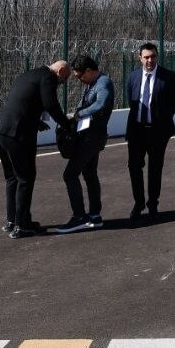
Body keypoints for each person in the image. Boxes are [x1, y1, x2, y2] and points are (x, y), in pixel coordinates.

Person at [0, 61, 72, 238]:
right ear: (60, 71)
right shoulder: (47, 78)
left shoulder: (28, 75)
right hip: (17, 134)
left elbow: (22, 102)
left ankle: (14, 220)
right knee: (26, 178)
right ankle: (22, 226)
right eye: (64, 79)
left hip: (0, 131)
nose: (62, 83)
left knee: (12, 178)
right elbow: (51, 105)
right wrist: (67, 124)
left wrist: (36, 121)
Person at [55, 55, 114, 233]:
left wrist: (80, 114)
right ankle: (95, 216)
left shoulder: (103, 82)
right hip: (89, 135)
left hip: (92, 137)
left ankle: (79, 216)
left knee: (70, 174)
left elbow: (101, 104)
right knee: (89, 174)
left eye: (80, 76)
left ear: (89, 71)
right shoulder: (92, 84)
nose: (79, 80)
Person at [124, 42, 175, 222]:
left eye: (153, 57)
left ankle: (153, 204)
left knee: (155, 169)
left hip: (158, 131)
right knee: (134, 167)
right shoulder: (132, 77)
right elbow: (131, 100)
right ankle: (138, 202)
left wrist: (161, 118)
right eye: (146, 57)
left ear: (157, 57)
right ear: (140, 58)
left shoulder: (168, 76)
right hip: (137, 130)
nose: (150, 60)